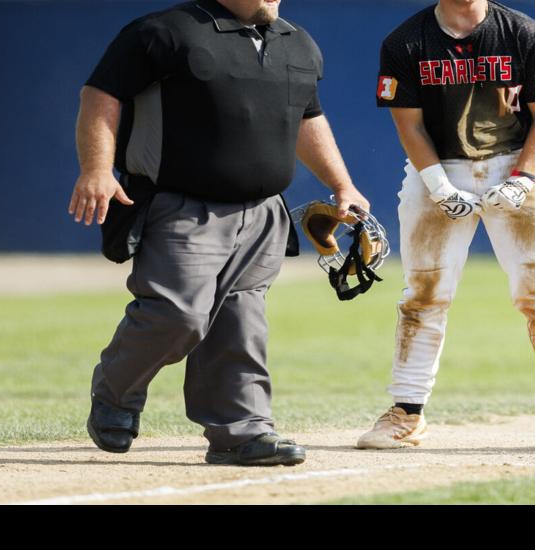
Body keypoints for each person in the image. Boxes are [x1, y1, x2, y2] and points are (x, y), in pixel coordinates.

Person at [72, 0, 368, 465]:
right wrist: (96, 168)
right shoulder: (163, 32)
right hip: (184, 206)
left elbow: (308, 119)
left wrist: (341, 184)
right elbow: (100, 95)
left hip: (264, 213)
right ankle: (116, 391)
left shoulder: (297, 42)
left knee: (241, 322)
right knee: (177, 314)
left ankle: (240, 432)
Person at [357, 0, 535, 450]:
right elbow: (408, 125)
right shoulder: (406, 41)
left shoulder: (524, 33)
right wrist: (438, 185)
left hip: (516, 161)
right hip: (440, 165)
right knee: (424, 293)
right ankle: (406, 411)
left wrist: (522, 178)